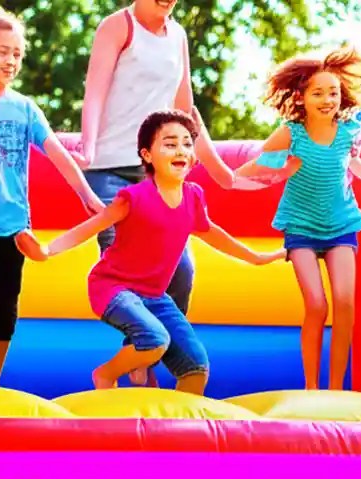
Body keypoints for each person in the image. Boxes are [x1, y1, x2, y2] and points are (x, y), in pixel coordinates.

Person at [197, 47, 361, 391]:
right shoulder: (291, 133)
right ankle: (312, 386)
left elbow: (355, 166)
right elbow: (250, 167)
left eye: (334, 92)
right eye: (318, 93)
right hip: (301, 227)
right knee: (316, 304)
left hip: (341, 225)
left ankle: (336, 387)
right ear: (302, 97)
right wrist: (280, 170)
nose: (328, 99)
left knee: (345, 303)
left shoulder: (349, 130)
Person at [28, 110, 285, 394]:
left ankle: (178, 430)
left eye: (187, 143)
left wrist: (258, 257)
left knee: (196, 368)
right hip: (113, 288)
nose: (181, 150)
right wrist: (46, 250)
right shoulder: (135, 197)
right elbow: (91, 227)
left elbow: (214, 235)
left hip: (154, 296)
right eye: (170, 143)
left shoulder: (193, 196)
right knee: (154, 339)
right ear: (147, 155)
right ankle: (105, 374)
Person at [78, 0, 239, 387]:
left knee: (181, 270)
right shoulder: (119, 26)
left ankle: (148, 353)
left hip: (156, 172)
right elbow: (96, 91)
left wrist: (217, 166)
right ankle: (138, 359)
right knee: (126, 270)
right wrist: (87, 146)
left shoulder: (178, 35)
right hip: (112, 166)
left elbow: (186, 107)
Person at [0, 10, 104, 387]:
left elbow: (57, 153)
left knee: (5, 306)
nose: (12, 61)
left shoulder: (24, 107)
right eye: (3, 52)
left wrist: (86, 194)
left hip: (14, 223)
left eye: (18, 54)